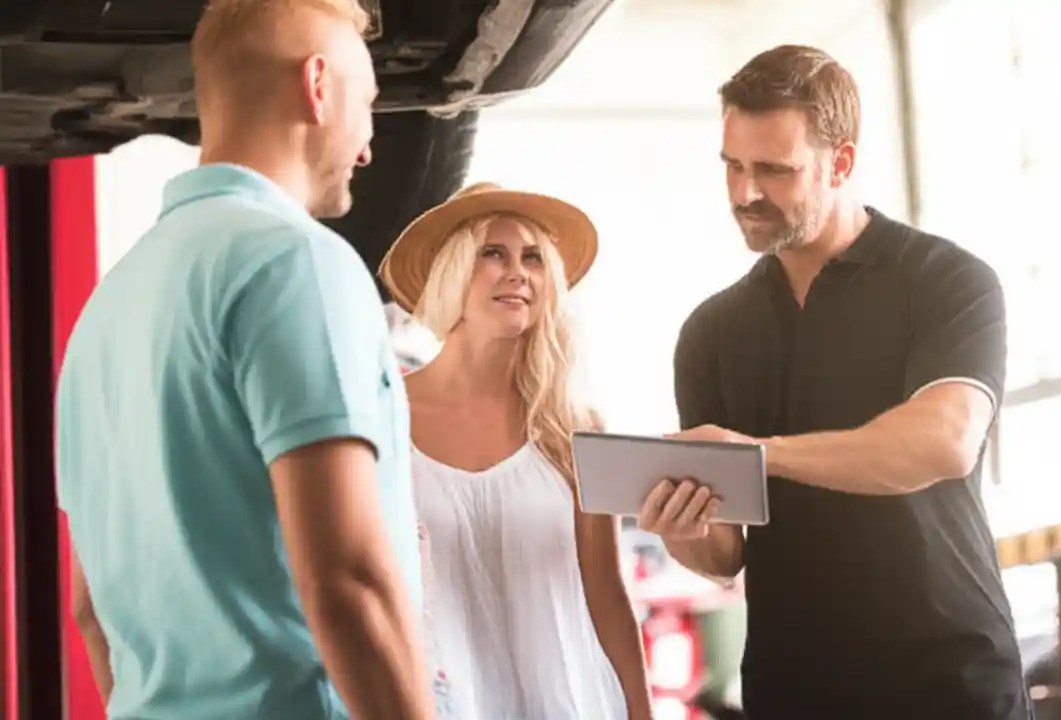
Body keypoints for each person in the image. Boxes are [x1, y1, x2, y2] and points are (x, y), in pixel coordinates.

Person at [54, 1, 433, 718]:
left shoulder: (107, 307)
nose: (369, 147)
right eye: (369, 106)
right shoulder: (295, 263)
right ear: (318, 85)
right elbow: (348, 579)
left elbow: (88, 608)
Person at [640, 45, 1031, 718]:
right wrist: (679, 526)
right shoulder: (711, 333)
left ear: (841, 162)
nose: (745, 193)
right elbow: (725, 554)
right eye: (733, 166)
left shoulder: (946, 282)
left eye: (774, 170)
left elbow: (943, 441)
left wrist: (758, 455)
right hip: (795, 691)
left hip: (947, 684)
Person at [378, 182, 652, 719]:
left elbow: (607, 595)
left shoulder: (572, 430)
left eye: (533, 258)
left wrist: (642, 713)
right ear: (454, 271)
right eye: (492, 254)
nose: (517, 272)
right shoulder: (386, 418)